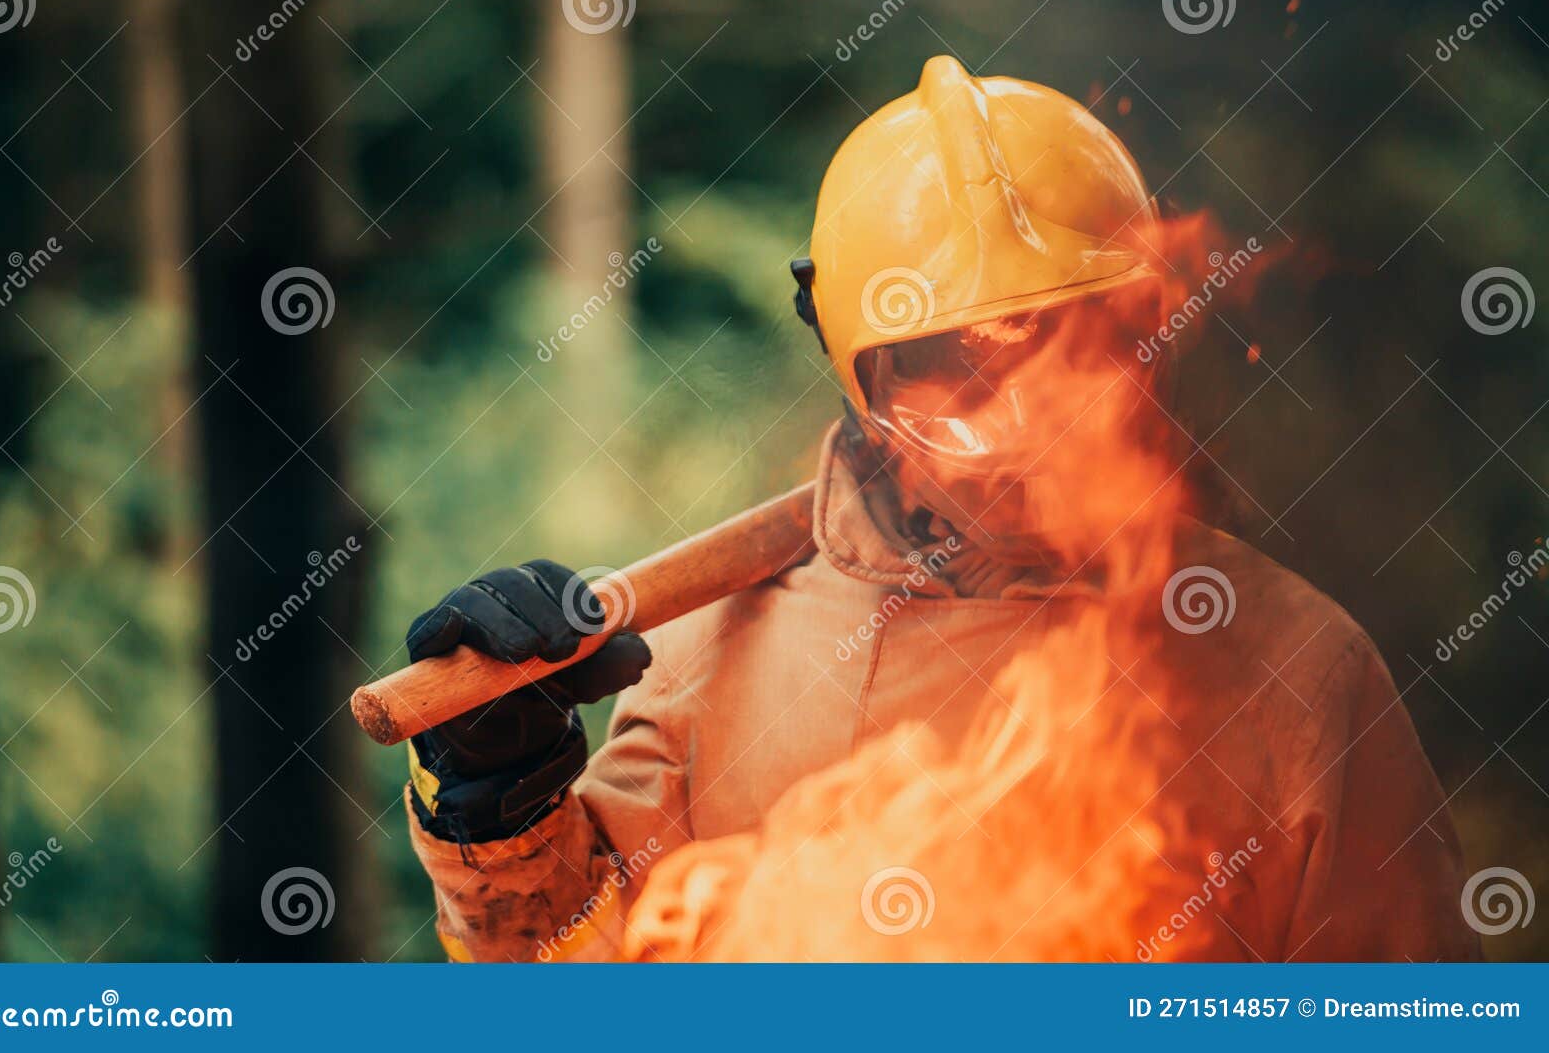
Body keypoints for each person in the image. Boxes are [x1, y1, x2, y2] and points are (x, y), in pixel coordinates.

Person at [402, 55, 1478, 962]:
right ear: (842, 356)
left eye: (1064, 347)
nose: (1014, 428)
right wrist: (502, 809)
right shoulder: (703, 662)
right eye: (948, 369)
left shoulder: (1294, 672)